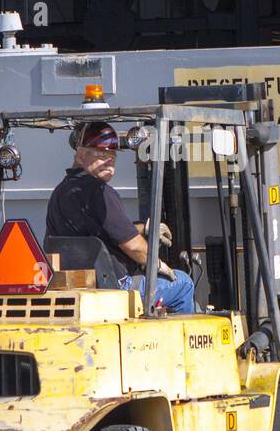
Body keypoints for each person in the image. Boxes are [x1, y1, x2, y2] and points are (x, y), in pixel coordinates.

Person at [45, 121, 196, 313]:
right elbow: (132, 245)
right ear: (81, 155)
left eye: (112, 155)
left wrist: (143, 228)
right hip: (115, 286)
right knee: (183, 282)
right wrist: (158, 264)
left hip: (79, 283)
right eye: (102, 155)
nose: (110, 160)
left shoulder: (61, 192)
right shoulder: (100, 192)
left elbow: (101, 232)